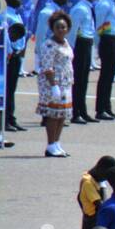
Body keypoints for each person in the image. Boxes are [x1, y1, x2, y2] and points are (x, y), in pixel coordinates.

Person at [36, 9, 73, 157]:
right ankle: (50, 144)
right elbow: (47, 67)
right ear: (52, 28)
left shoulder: (65, 43)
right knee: (53, 115)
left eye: (63, 27)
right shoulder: (49, 45)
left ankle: (57, 143)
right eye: (58, 27)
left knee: (62, 114)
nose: (61, 30)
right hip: (53, 84)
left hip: (66, 83)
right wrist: (54, 86)